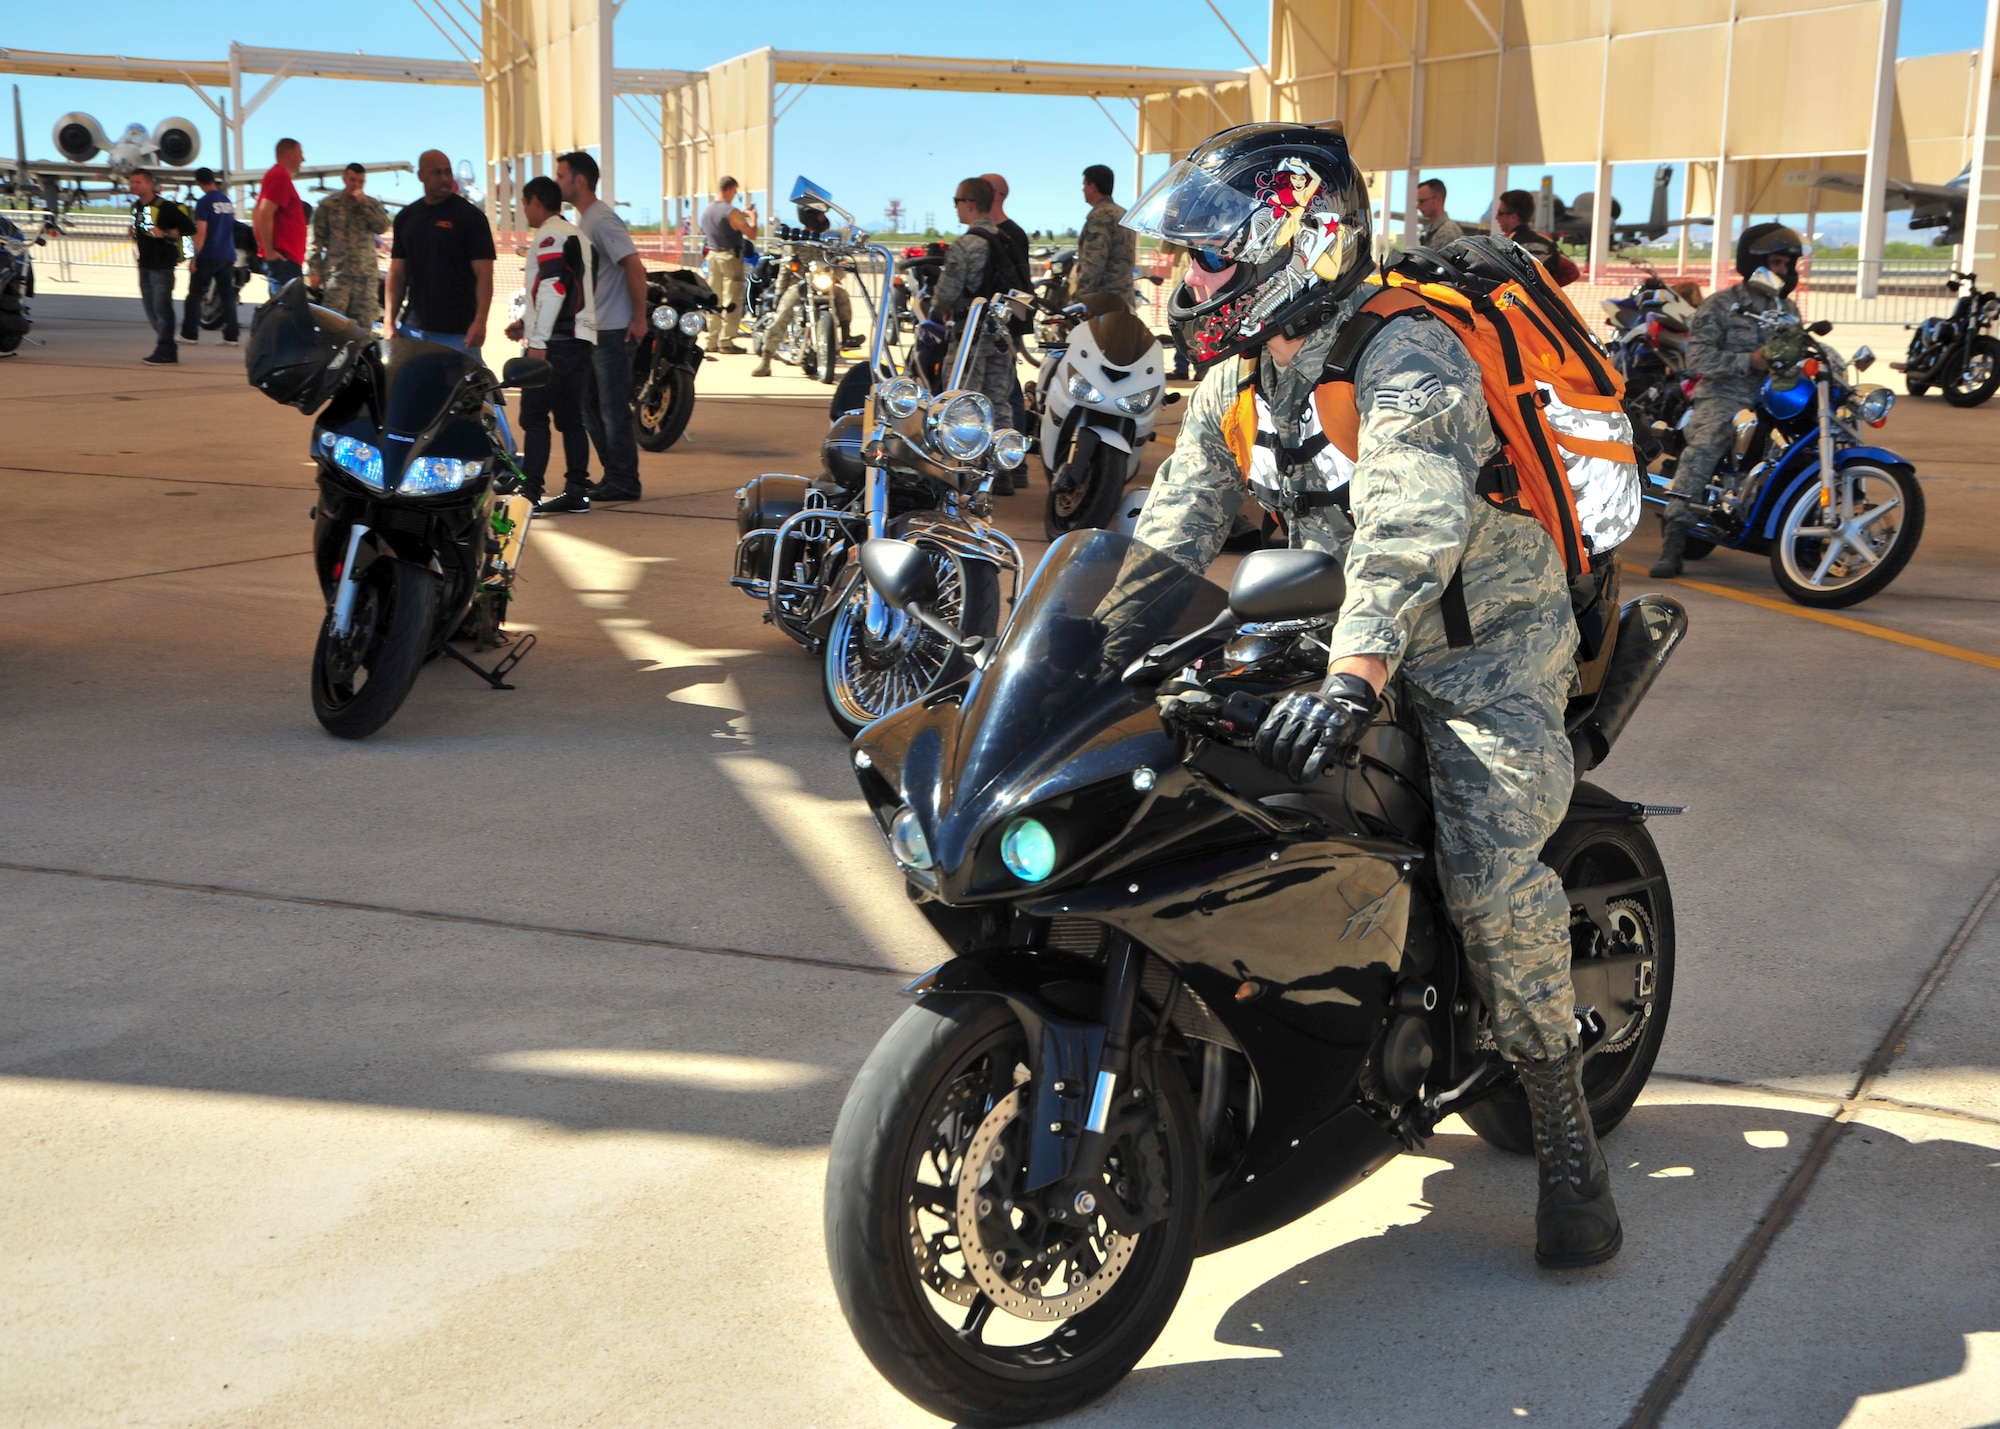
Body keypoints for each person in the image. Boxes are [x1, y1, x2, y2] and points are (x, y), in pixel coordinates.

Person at [1123, 122, 1621, 1269]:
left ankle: (1561, 1125)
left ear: (1297, 244)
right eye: (1182, 254)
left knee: (1487, 873)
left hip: (1477, 644)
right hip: (1332, 629)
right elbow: (1169, 532)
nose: (1183, 279)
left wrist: (1355, 673)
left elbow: (1408, 524)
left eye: (1207, 254)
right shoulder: (1237, 379)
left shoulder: (1406, 353)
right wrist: (1087, 646)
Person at [1651, 223, 1805, 577]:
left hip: (1776, 395)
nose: (1784, 270)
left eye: (1788, 264)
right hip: (1726, 394)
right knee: (1704, 445)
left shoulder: (1787, 309)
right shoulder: (1721, 305)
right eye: (1777, 262)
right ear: (1755, 262)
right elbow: (1697, 359)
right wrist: (1749, 361)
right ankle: (1674, 539)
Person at [557, 149, 648, 504]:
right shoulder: (586, 220)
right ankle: (615, 474)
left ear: (579, 180)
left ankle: (625, 480)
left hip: (612, 331)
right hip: (595, 331)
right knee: (589, 406)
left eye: (562, 176)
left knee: (611, 409)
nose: (557, 183)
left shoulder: (602, 220)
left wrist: (638, 318)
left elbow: (634, 266)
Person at [504, 175, 594, 514]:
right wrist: (527, 323)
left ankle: (530, 491)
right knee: (571, 419)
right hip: (581, 339)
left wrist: (537, 340)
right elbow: (571, 289)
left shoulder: (549, 235)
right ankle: (577, 490)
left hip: (554, 342)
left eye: (524, 204)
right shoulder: (577, 234)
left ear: (536, 202)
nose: (524, 211)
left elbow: (553, 288)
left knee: (534, 416)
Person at [933, 177, 1029, 494]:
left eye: (957, 201)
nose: (956, 208)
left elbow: (946, 294)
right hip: (1002, 336)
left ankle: (964, 474)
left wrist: (939, 305)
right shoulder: (1008, 239)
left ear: (970, 204)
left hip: (970, 339)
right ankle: (1000, 472)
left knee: (962, 403)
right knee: (999, 402)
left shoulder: (967, 244)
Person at [384, 149, 496, 352]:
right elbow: (397, 273)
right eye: (437, 172)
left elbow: (484, 273)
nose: (444, 178)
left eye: (448, 172)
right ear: (421, 176)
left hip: (459, 333)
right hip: (413, 329)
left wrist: (481, 319)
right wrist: (389, 320)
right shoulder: (405, 218)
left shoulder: (471, 217)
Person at [749, 206, 855, 378]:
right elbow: (785, 269)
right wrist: (779, 293)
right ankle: (766, 360)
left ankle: (846, 334)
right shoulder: (796, 239)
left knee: (842, 295)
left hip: (823, 283)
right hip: (800, 285)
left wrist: (841, 265)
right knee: (782, 314)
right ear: (809, 217)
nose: (823, 219)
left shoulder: (829, 240)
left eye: (823, 216)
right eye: (820, 216)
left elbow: (837, 262)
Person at [982, 172, 1034, 442]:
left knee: (1007, 389)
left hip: (1003, 324)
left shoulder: (1011, 234)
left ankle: (1013, 451)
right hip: (987, 323)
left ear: (996, 195)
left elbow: (1017, 283)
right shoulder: (989, 231)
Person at [309, 163, 390, 330]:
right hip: (338, 277)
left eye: (360, 181)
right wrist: (315, 271)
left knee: (364, 328)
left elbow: (382, 227)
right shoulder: (328, 205)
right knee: (333, 326)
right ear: (344, 179)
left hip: (365, 278)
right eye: (353, 180)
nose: (356, 185)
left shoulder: (371, 205)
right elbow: (316, 241)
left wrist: (364, 204)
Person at [126, 170, 194, 365]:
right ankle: (167, 346)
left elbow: (190, 227)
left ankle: (165, 349)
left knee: (162, 308)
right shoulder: (137, 206)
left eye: (138, 182)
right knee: (151, 309)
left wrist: (165, 233)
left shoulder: (166, 207)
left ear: (150, 184)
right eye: (132, 182)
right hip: (145, 264)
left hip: (162, 266)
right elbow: (144, 232)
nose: (133, 185)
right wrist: (134, 233)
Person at [180, 167, 238, 346]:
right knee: (227, 296)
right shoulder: (226, 200)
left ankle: (189, 334)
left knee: (195, 295)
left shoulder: (204, 202)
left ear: (198, 182)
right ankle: (231, 336)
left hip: (209, 254)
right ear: (213, 180)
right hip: (227, 254)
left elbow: (202, 232)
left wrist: (193, 257)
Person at [701, 177, 758, 354]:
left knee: (714, 300)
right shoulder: (731, 211)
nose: (734, 195)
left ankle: (712, 340)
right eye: (734, 192)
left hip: (712, 256)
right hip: (729, 258)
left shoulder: (708, 210)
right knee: (732, 298)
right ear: (729, 189)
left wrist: (741, 215)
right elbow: (752, 234)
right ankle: (726, 341)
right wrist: (753, 218)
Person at [1072, 164, 1136, 310]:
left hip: (1103, 302)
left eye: (1084, 185)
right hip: (1124, 298)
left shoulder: (1101, 216)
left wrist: (1079, 300)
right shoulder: (1123, 214)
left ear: (1093, 187)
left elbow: (1094, 263)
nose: (1083, 190)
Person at [254, 138, 309, 294]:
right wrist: (269, 251)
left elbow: (258, 212)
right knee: (287, 307)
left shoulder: (276, 175)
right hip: (285, 261)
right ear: (290, 154)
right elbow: (264, 212)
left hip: (285, 261)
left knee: (287, 305)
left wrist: (264, 247)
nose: (303, 159)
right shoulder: (280, 176)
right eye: (300, 154)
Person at [1494, 190, 1579, 285]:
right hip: (1542, 293)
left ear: (1513, 217)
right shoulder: (1547, 241)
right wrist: (1546, 288)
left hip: (1513, 294)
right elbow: (1572, 271)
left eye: (1500, 213)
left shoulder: (1502, 244)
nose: (1496, 217)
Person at [1415, 177, 1465, 247]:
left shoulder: (1448, 233)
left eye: (1422, 201)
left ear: (1438, 200)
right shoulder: (1433, 231)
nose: (1417, 206)